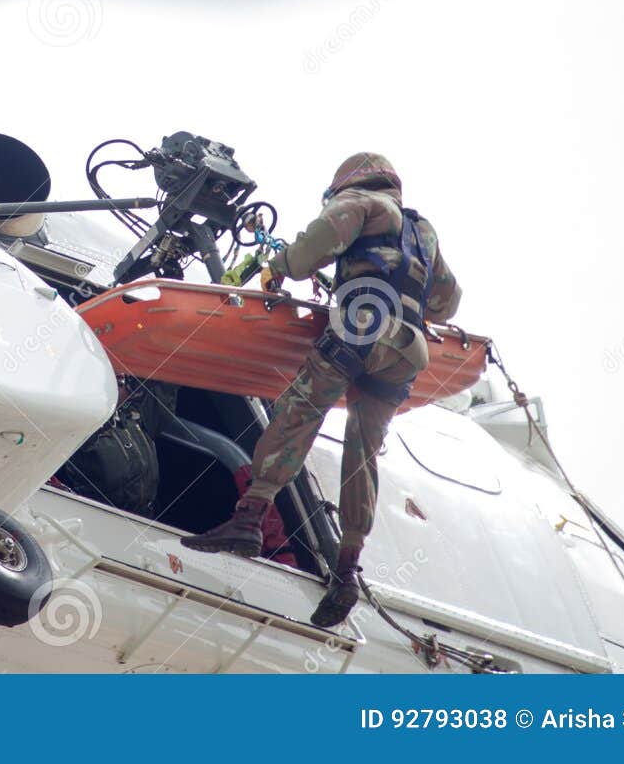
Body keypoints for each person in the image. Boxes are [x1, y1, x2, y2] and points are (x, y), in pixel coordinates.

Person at [180, 152, 461, 627]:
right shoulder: (422, 230)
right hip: (406, 353)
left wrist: (282, 265)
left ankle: (248, 520)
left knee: (298, 413)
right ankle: (347, 569)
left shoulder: (360, 201)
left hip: (359, 328)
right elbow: (447, 301)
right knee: (363, 453)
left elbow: (321, 241)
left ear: (348, 182)